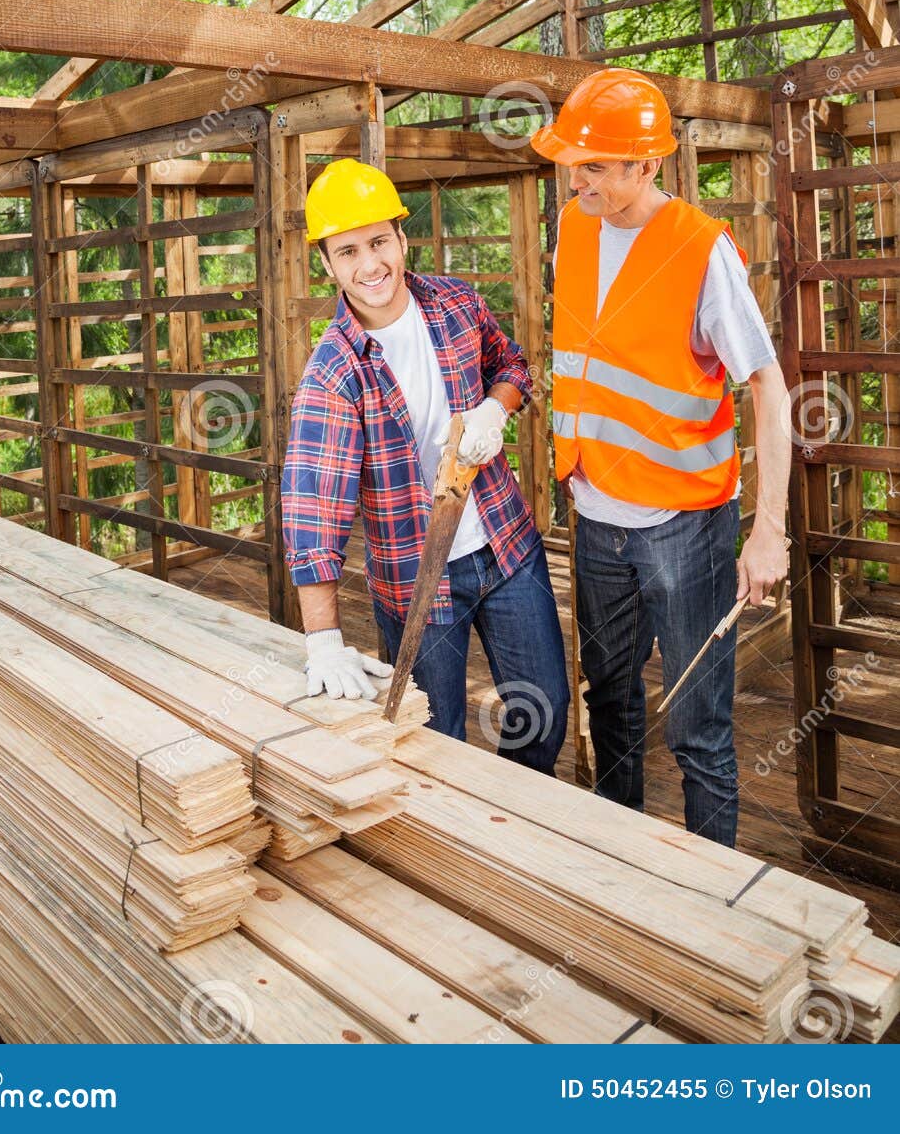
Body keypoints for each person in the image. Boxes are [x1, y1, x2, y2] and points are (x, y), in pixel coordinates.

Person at [531, 68, 790, 845]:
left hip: (684, 526)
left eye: (599, 165)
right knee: (608, 704)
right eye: (575, 161)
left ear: (647, 166)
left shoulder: (700, 249)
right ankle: (626, 875)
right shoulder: (571, 227)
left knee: (694, 724)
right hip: (593, 516)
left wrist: (768, 527)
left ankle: (706, 905)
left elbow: (768, 390)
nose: (580, 178)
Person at [280, 158, 569, 774]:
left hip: (506, 547)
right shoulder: (333, 375)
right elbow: (314, 516)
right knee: (437, 745)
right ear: (327, 265)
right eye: (349, 250)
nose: (371, 264)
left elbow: (512, 365)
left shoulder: (456, 304)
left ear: (402, 239)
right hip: (418, 578)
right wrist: (323, 640)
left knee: (543, 715)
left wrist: (496, 407)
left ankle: (522, 827)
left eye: (380, 241)